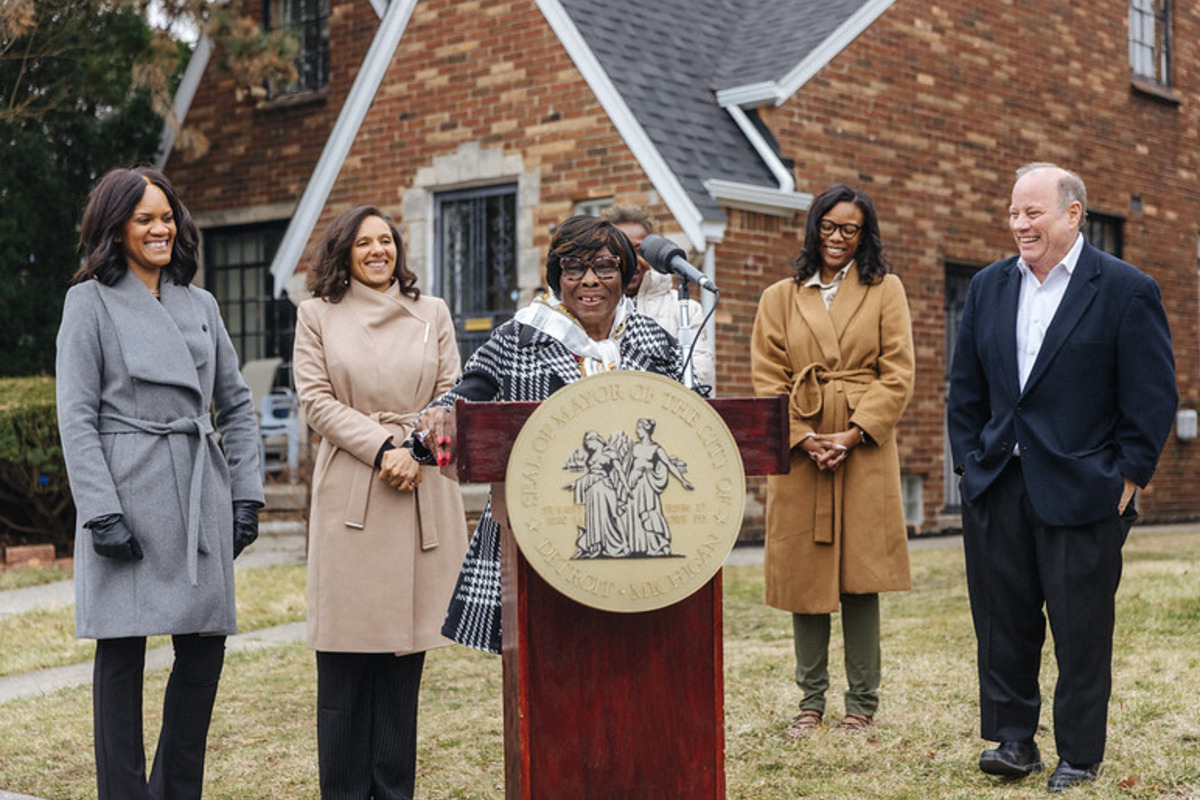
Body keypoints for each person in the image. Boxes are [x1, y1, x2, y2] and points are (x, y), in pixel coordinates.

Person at [948, 163, 1176, 793]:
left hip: (1084, 488)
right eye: (1014, 212)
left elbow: (1152, 397)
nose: (1020, 224)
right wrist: (969, 466)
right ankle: (1012, 742)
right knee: (1002, 622)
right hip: (998, 484)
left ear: (1073, 214)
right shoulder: (990, 286)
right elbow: (964, 390)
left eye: (1033, 212)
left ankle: (1078, 754)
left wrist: (1128, 478)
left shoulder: (1127, 289)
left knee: (1081, 630)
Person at [56, 166, 263, 800]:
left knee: (203, 654)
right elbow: (76, 414)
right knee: (121, 657)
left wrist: (247, 494)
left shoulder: (198, 303)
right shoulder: (87, 302)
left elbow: (236, 404)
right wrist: (99, 511)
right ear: (115, 229)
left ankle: (176, 790)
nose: (160, 227)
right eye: (144, 218)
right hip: (128, 492)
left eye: (166, 215)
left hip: (199, 489)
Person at [414, 215, 683, 655]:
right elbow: (465, 395)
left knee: (630, 655)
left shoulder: (655, 342)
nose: (589, 280)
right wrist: (439, 416)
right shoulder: (519, 337)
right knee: (555, 658)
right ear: (558, 278)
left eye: (604, 267)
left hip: (637, 532)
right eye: (574, 268)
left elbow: (693, 423)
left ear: (626, 276)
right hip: (541, 530)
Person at [292, 205, 468, 800]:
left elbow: (453, 393)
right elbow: (316, 400)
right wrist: (385, 445)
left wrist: (415, 451)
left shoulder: (432, 313)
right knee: (343, 669)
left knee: (401, 669)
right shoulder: (317, 315)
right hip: (353, 492)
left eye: (386, 240)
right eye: (364, 242)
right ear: (343, 252)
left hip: (420, 490)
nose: (377, 250)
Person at [750, 183, 914, 739]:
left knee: (860, 576)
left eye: (850, 229)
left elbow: (898, 371)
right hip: (803, 447)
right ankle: (810, 701)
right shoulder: (780, 296)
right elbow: (767, 377)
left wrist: (853, 433)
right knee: (806, 573)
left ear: (864, 235)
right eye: (829, 226)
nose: (837, 238)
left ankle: (861, 705)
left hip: (862, 446)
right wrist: (802, 437)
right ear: (813, 227)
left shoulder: (884, 289)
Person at [602, 205, 716, 393]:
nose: (632, 260)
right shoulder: (591, 307)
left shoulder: (684, 308)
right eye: (622, 251)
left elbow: (701, 373)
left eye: (640, 251)